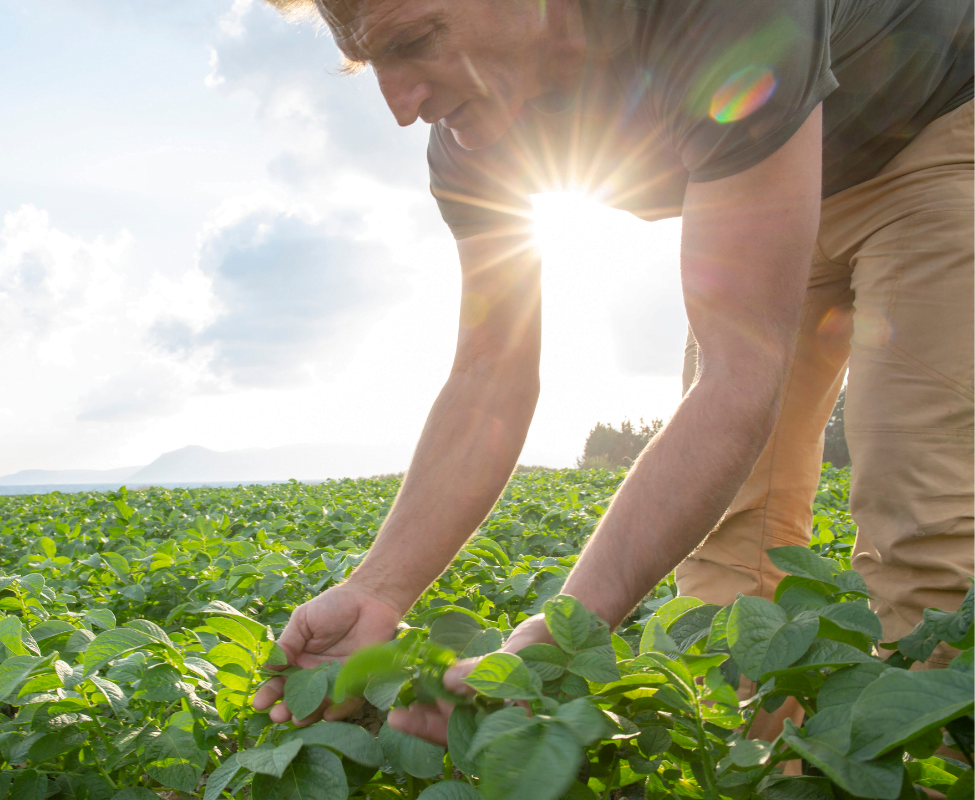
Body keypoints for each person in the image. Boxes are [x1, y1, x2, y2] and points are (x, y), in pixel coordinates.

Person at [252, 0, 975, 746]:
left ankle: (936, 767)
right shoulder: (471, 136)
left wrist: (566, 629)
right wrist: (378, 587)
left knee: (923, 512)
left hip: (929, 133)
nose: (400, 107)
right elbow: (487, 382)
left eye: (414, 41)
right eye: (375, 64)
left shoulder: (718, 16)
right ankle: (761, 771)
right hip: (767, 178)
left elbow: (739, 371)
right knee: (731, 546)